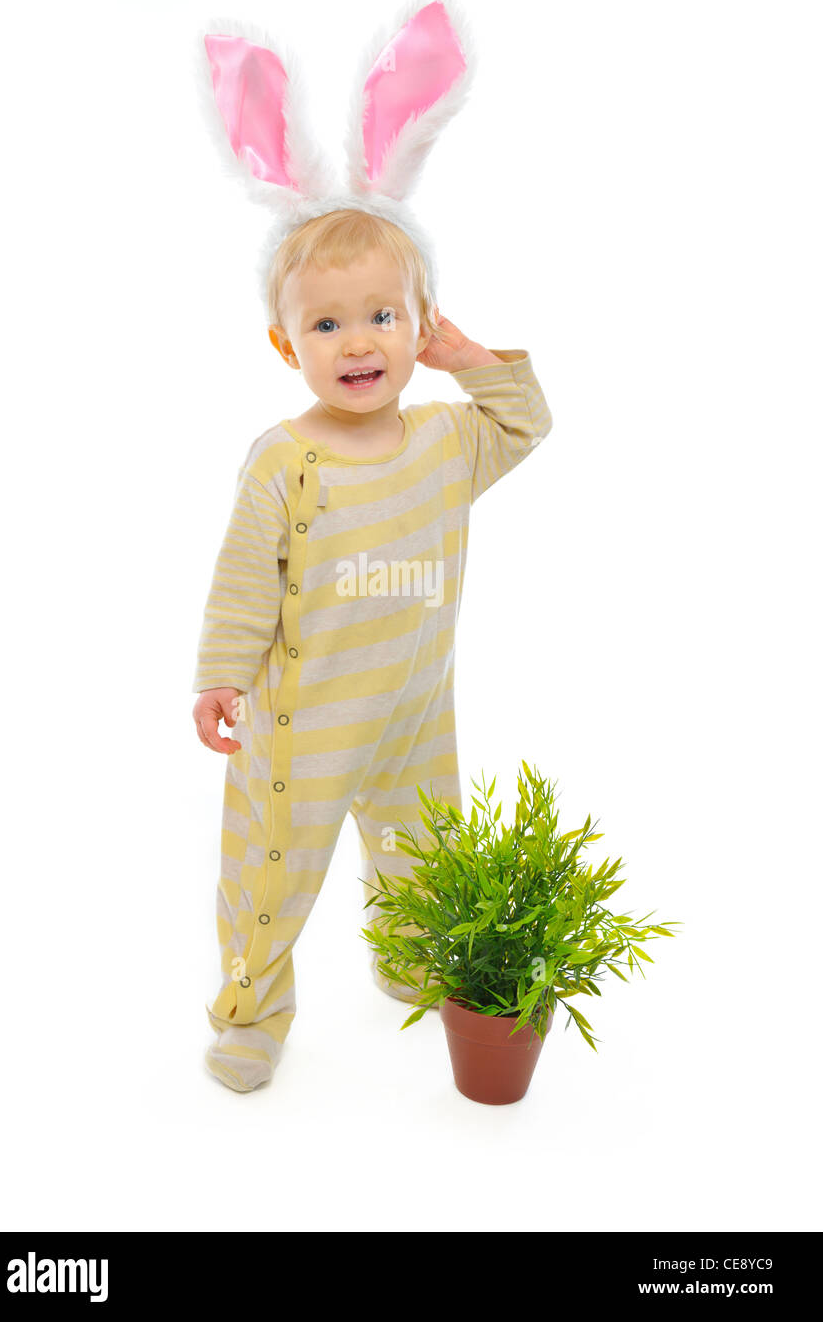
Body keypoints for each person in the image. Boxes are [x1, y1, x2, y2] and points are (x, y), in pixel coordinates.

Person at [192, 206, 553, 1091]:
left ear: (419, 323)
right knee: (271, 876)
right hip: (304, 731)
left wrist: (469, 360)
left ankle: (407, 957)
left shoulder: (445, 440)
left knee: (422, 854)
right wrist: (221, 678)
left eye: (382, 316)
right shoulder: (285, 463)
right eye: (327, 323)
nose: (359, 342)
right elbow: (245, 584)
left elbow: (526, 424)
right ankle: (252, 1011)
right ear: (287, 346)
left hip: (414, 717)